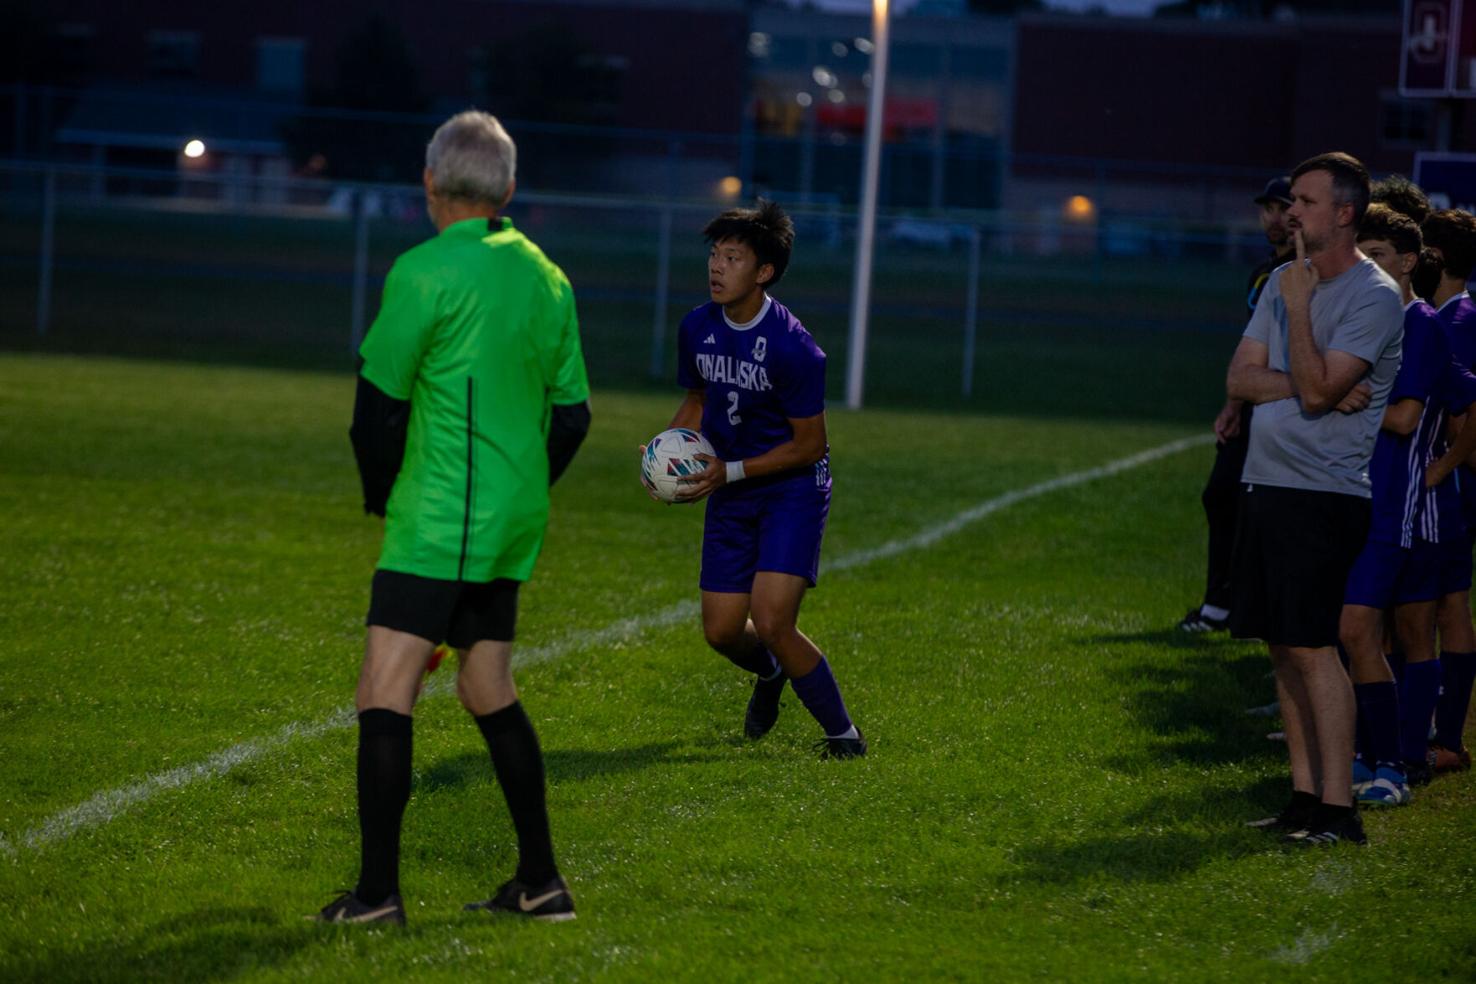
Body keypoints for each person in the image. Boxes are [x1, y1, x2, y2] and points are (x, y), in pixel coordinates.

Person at [314, 110, 592, 925]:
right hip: (509, 521)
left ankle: (375, 897)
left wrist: (380, 493)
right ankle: (541, 883)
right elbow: (572, 419)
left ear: (430, 183)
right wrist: (519, 490)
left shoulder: (423, 271)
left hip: (438, 521)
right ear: (507, 189)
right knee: (483, 682)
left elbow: (375, 411)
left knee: (384, 688)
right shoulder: (548, 276)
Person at [1227, 152, 1403, 846]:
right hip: (1266, 484)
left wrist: (1300, 318)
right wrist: (1305, 381)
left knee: (1313, 646)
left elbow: (1325, 390)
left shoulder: (1373, 294)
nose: (1290, 212)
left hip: (1321, 493)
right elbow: (1241, 378)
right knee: (1282, 648)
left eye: (1304, 200)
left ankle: (1339, 807)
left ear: (1344, 213)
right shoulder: (1279, 279)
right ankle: (1303, 796)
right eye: (1291, 200)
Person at [652, 199, 865, 759]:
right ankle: (771, 674)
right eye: (715, 255)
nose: (717, 268)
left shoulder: (796, 348)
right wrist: (664, 453)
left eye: (733, 258)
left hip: (791, 486)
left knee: (771, 618)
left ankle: (844, 737)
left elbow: (810, 445)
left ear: (764, 272)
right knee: (722, 631)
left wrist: (732, 470)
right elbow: (698, 398)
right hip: (732, 485)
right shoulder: (697, 327)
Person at [1339, 205, 1476, 808]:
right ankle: (1380, 748)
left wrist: (1437, 471)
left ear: (1409, 261)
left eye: (1376, 253)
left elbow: (1417, 416)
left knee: (1411, 628)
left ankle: (1407, 752)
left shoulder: (1420, 322)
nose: (1363, 263)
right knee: (1373, 633)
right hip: (1367, 498)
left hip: (1411, 510)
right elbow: (1463, 395)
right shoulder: (1375, 319)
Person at [1180, 177, 1296, 633]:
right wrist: (1233, 403)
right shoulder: (1264, 273)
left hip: (1289, 405)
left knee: (1264, 510)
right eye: (1266, 208)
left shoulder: (1311, 275)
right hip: (1255, 402)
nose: (1273, 217)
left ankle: (1247, 607)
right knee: (1222, 495)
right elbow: (1254, 344)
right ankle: (1223, 603)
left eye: (1283, 206)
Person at [1422, 208, 1476, 774]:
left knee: (1446, 605)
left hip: (1456, 490)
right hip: (1455, 485)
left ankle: (1448, 735)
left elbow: (1464, 416)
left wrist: (1444, 467)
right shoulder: (1454, 312)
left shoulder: (1455, 319)